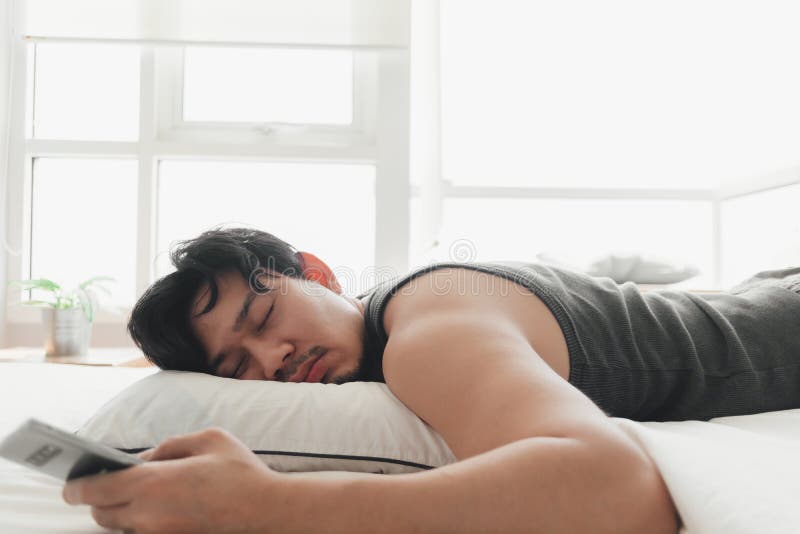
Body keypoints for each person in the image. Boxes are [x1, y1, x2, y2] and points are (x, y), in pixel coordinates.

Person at [62, 228, 800, 534]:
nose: (273, 359)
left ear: (316, 274)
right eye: (236, 366)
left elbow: (620, 491)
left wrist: (271, 503)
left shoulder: (429, 328)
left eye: (264, 314)